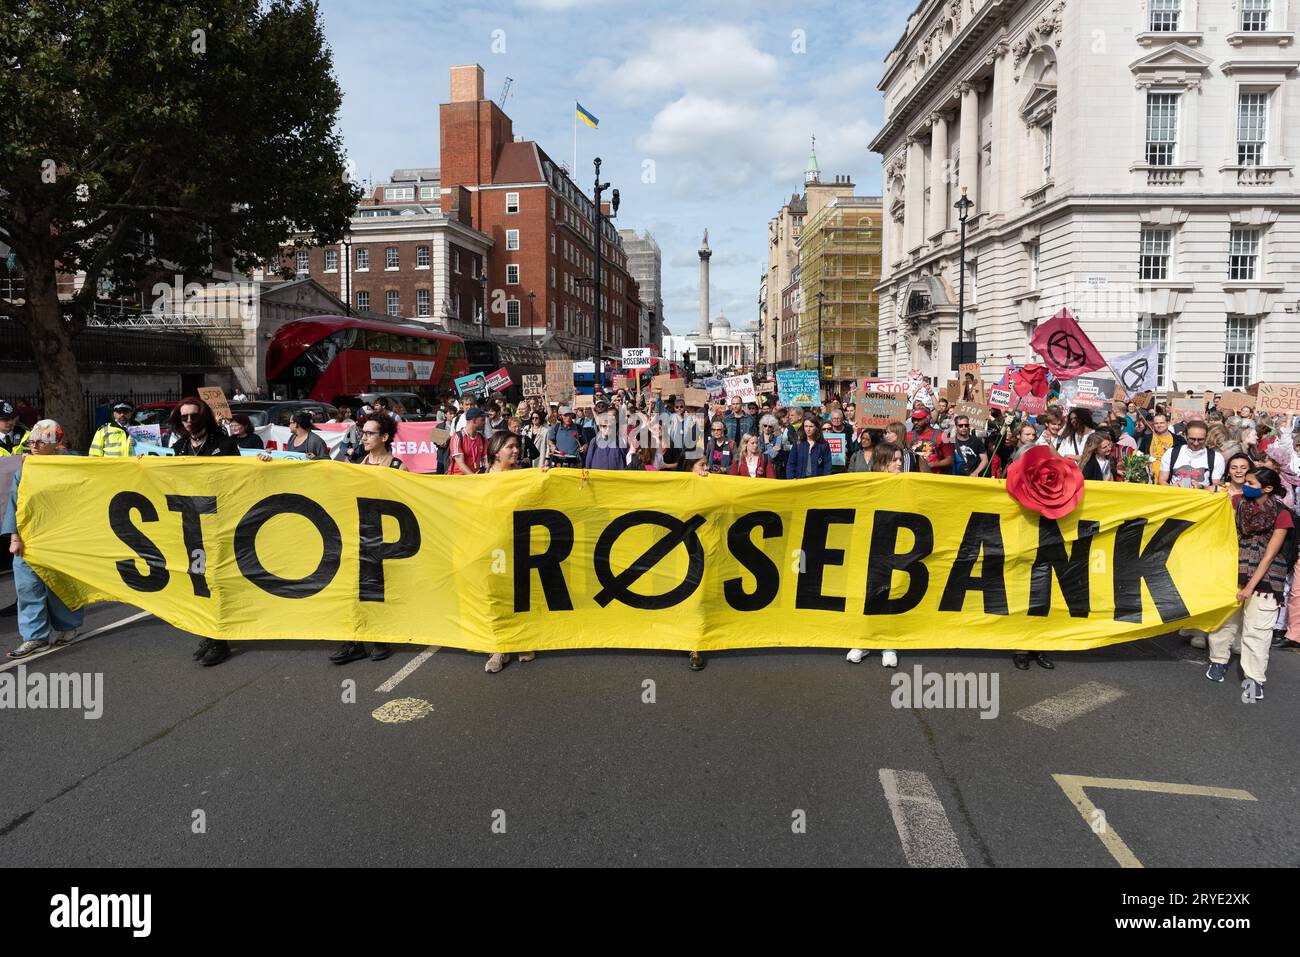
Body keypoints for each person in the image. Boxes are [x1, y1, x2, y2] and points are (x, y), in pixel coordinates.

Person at [1206, 467, 1293, 703]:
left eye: (1251, 483)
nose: (1245, 485)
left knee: (1258, 630)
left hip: (1266, 578)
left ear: (1267, 489)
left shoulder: (1282, 514)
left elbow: (1269, 556)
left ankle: (1254, 678)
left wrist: (1249, 587)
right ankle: (1218, 661)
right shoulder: (1234, 502)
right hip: (1231, 568)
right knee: (1225, 621)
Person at [5, 421, 86, 659]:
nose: (34, 445)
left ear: (54, 444)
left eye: (40, 441)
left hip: (59, 539)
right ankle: (35, 637)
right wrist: (14, 536)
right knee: (28, 587)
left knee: (59, 586)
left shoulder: (72, 465)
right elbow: (15, 504)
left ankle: (67, 626)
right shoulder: (25, 470)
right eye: (32, 441)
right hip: (30, 539)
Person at [329, 413, 405, 666]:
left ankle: (381, 637)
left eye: (371, 433)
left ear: (384, 437)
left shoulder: (398, 467)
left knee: (379, 590)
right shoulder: (357, 466)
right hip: (359, 537)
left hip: (386, 540)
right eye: (364, 432)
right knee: (354, 590)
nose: (365, 436)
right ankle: (355, 641)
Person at [847, 442, 902, 668]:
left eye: (900, 459)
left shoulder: (908, 484)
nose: (900, 463)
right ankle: (863, 639)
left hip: (896, 546)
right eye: (895, 460)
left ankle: (888, 644)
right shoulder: (866, 484)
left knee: (892, 592)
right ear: (882, 463)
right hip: (868, 545)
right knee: (866, 593)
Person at [1158, 420, 1223, 490]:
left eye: (1200, 440)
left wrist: (1201, 487)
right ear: (1185, 436)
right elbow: (1162, 481)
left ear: (1206, 437)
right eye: (1192, 439)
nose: (1196, 443)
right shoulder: (1171, 453)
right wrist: (1172, 488)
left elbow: (1216, 487)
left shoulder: (1216, 458)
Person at [170, 397, 240, 458]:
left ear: (204, 416)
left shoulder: (225, 445)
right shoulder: (179, 446)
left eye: (194, 416)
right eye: (184, 417)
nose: (189, 420)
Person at [906, 408, 953, 474]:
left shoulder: (943, 435)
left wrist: (934, 464)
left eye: (919, 419)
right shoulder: (908, 435)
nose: (915, 422)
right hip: (913, 477)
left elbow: (950, 460)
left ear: (927, 419)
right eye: (913, 419)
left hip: (933, 478)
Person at [448, 408, 488, 474]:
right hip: (457, 479)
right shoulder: (458, 437)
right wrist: (474, 478)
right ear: (474, 421)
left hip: (473, 478)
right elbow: (461, 465)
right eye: (482, 420)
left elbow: (486, 460)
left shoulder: (482, 438)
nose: (485, 423)